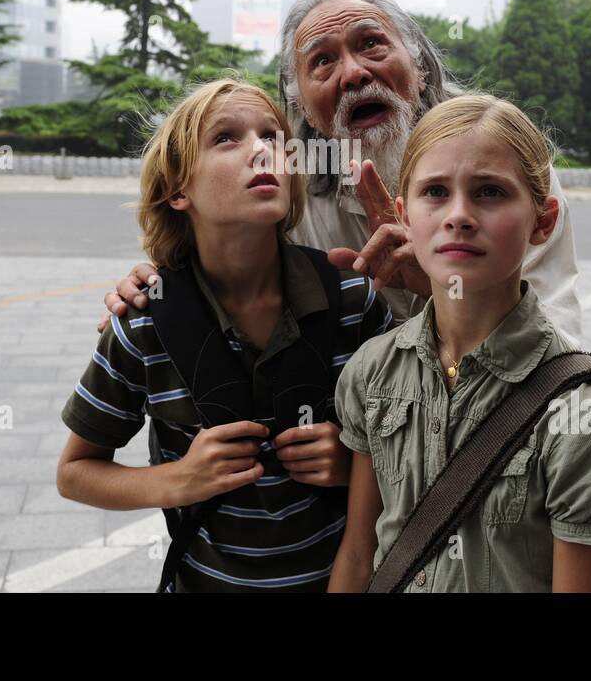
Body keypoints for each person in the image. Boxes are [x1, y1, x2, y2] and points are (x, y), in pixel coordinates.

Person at [100, 0, 584, 346]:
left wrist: (447, 288)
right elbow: (226, 265)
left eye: (372, 43)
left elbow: (559, 342)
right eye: (322, 61)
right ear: (302, 107)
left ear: (419, 68)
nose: (353, 73)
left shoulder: (505, 161)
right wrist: (157, 291)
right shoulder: (291, 184)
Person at [56, 78, 392, 591]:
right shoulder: (143, 323)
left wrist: (355, 463)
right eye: (226, 138)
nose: (261, 150)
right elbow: (75, 472)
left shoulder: (352, 301)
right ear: (177, 189)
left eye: (272, 136)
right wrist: (177, 480)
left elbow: (421, 446)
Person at [329, 94, 591, 592]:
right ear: (403, 216)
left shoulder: (586, 418)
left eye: (490, 192)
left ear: (543, 221)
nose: (459, 215)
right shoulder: (371, 372)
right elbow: (357, 555)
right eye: (435, 191)